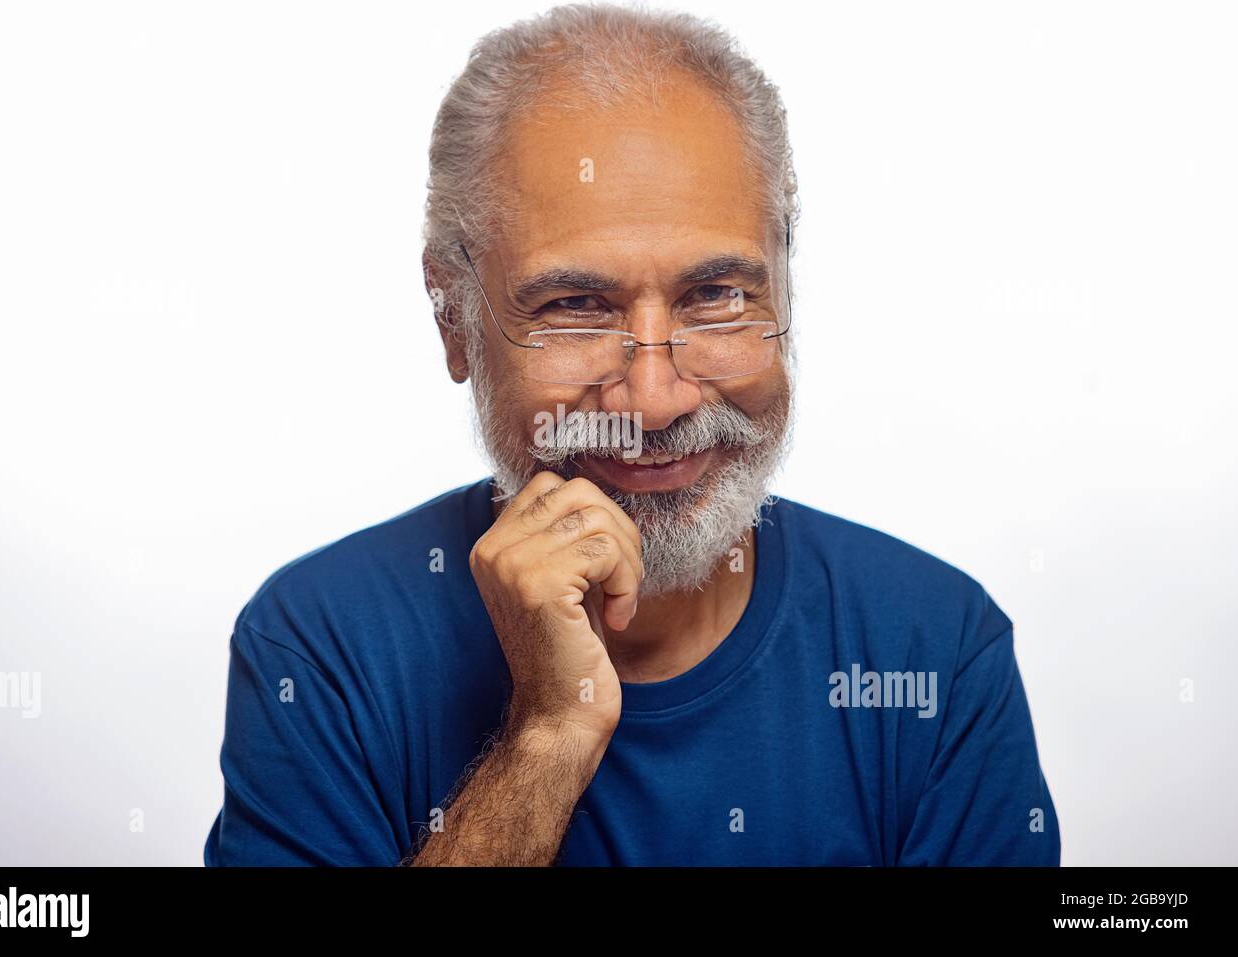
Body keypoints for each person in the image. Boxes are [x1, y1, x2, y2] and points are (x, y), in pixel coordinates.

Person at [204, 3, 1059, 866]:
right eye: (576, 307)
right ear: (452, 318)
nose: (653, 402)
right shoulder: (317, 649)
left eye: (716, 295)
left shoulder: (935, 651)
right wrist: (549, 735)